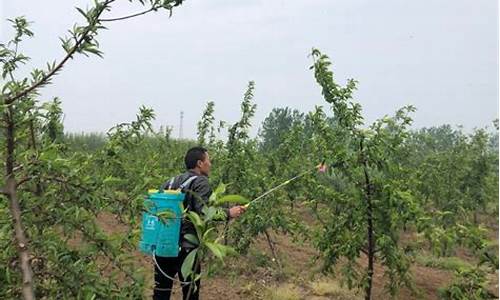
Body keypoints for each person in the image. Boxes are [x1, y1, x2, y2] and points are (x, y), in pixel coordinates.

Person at [153, 146, 246, 300]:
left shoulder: (170, 182)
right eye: (208, 160)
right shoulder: (201, 182)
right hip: (187, 248)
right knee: (190, 293)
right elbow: (205, 212)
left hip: (164, 244)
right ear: (199, 163)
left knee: (161, 292)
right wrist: (229, 213)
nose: (210, 164)